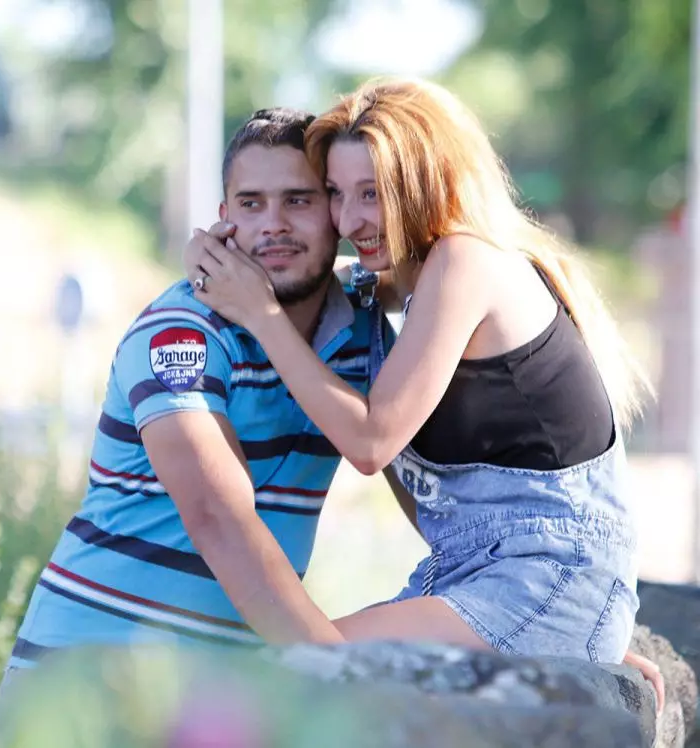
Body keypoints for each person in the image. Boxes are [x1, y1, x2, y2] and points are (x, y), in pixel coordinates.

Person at [184, 78, 656, 673]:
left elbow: (371, 441)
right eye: (334, 193)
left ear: (427, 184)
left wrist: (260, 310)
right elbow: (312, 283)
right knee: (310, 677)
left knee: (298, 672)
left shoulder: (468, 261)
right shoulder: (409, 280)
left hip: (547, 577)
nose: (351, 220)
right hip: (481, 575)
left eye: (373, 193)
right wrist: (212, 259)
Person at [0, 108, 407, 687]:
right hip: (84, 679)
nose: (273, 225)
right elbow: (219, 519)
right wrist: (339, 675)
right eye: (250, 203)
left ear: (336, 213)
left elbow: (422, 479)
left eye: (298, 200)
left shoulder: (359, 332)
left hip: (213, 694)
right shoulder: (180, 334)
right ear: (223, 220)